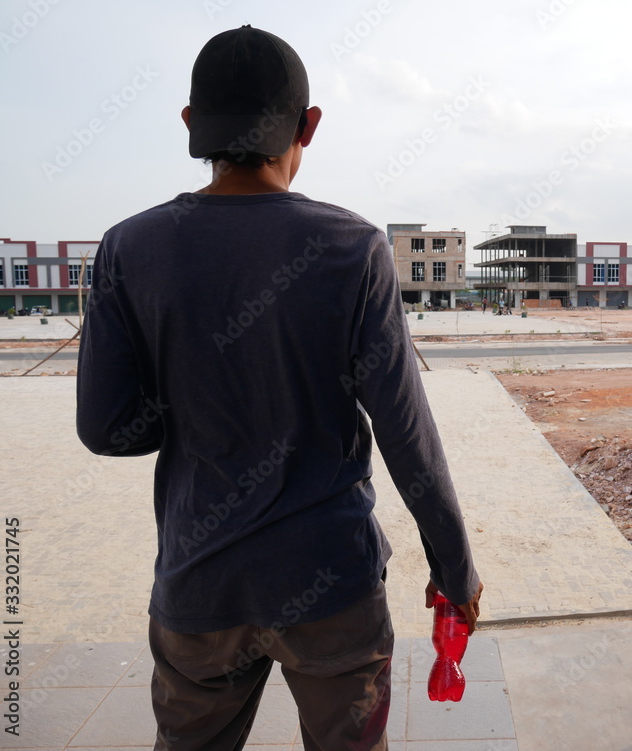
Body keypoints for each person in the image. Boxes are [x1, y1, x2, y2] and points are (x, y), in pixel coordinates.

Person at [75, 26, 482, 751]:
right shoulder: (354, 249)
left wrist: (189, 404)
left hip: (199, 587)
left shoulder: (128, 248)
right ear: (308, 126)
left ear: (191, 126)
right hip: (332, 587)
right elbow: (405, 432)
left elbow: (106, 429)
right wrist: (455, 566)